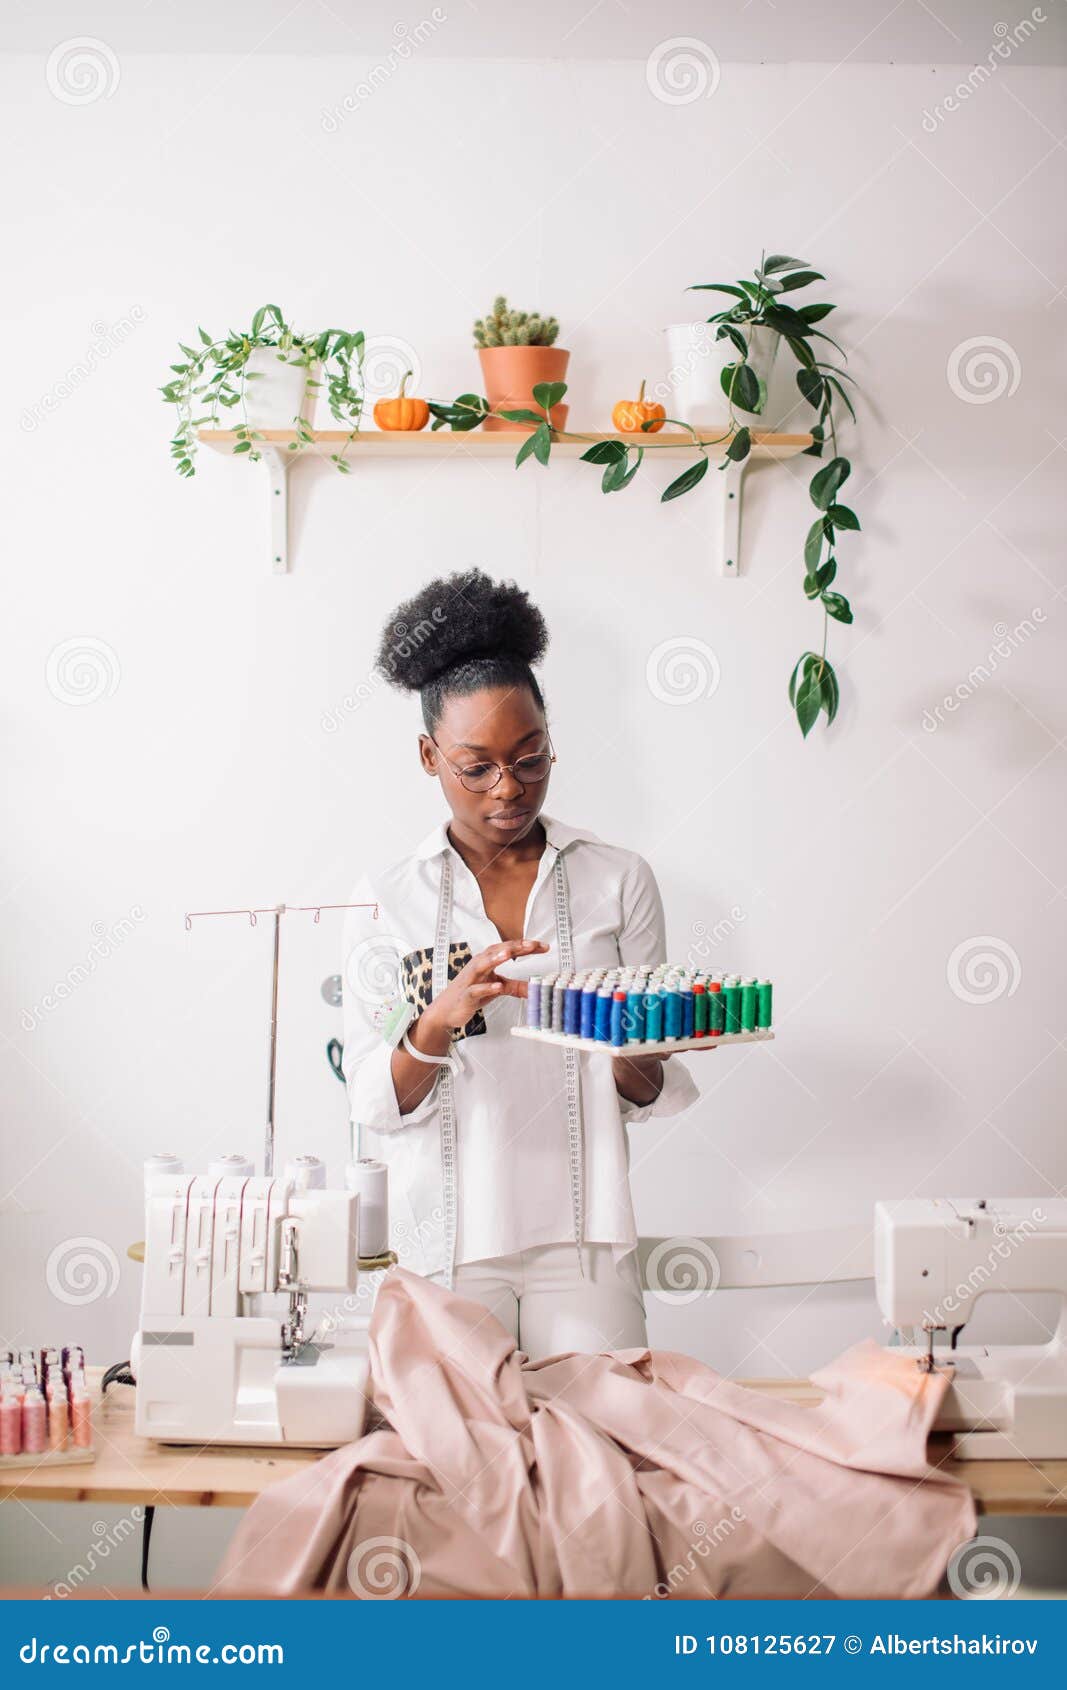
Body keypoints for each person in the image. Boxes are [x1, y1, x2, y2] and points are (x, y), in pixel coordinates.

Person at [343, 569, 700, 1358]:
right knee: (455, 1455)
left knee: (604, 1441)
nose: (509, 788)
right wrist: (441, 1017)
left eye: (531, 759)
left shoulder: (617, 878)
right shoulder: (386, 899)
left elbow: (644, 1088)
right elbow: (372, 1099)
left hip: (584, 1233)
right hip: (440, 1236)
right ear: (428, 756)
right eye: (477, 767)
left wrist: (641, 1045)